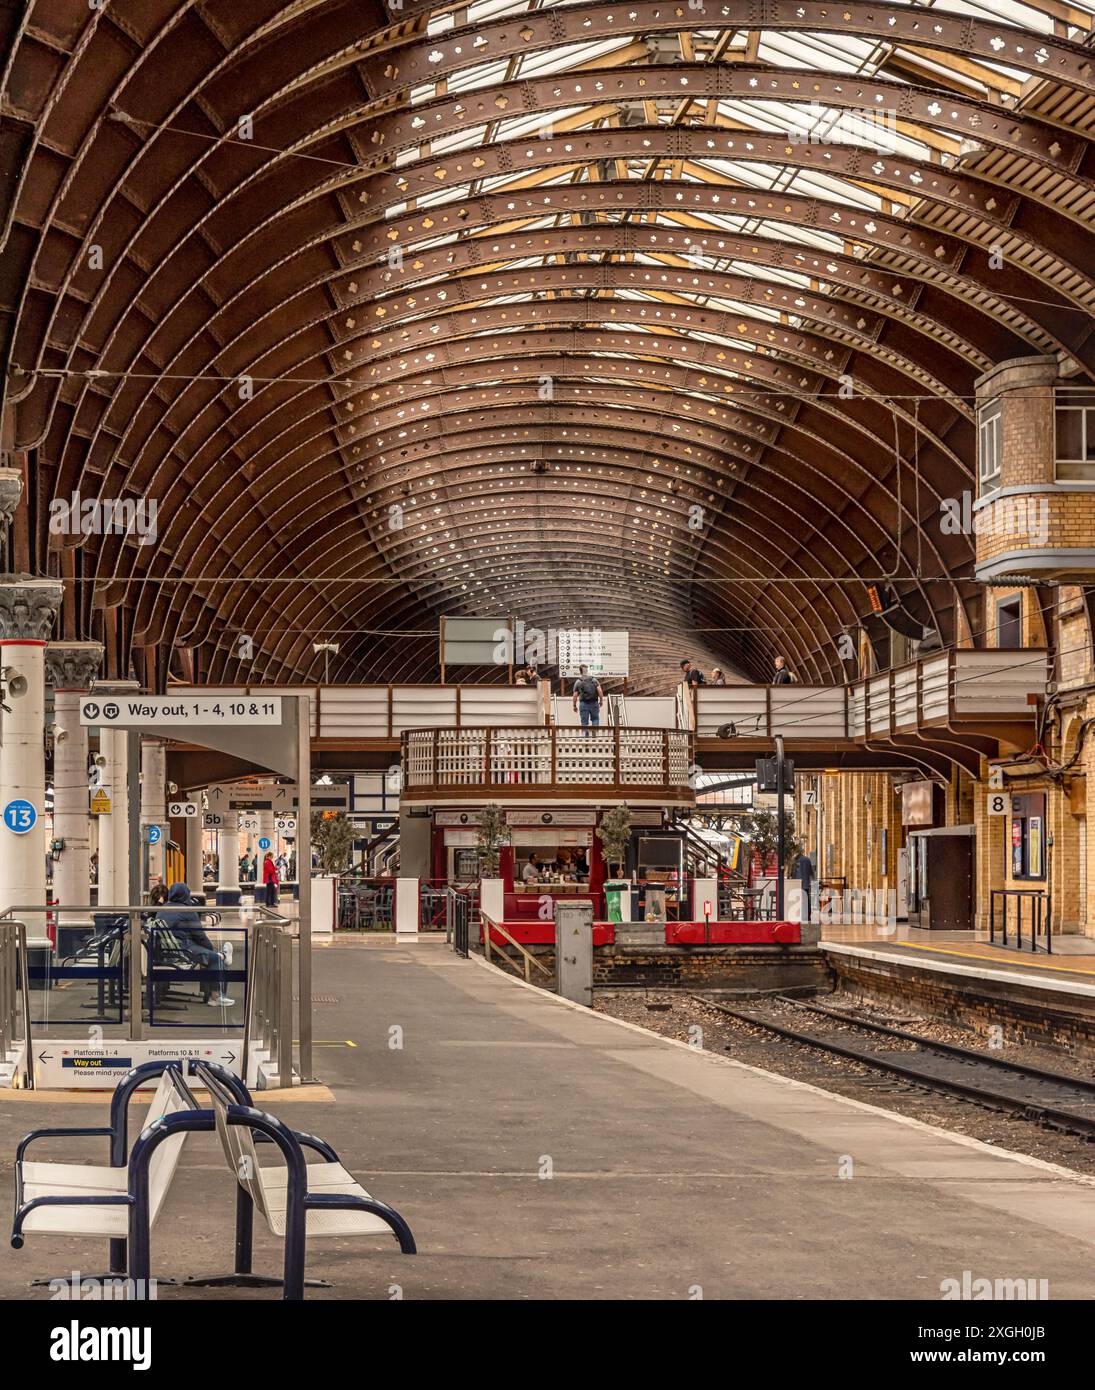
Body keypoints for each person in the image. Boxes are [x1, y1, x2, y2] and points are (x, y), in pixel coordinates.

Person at [159, 881, 234, 1007]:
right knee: (215, 958)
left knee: (212, 955)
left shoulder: (162, 909)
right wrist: (211, 950)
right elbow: (199, 935)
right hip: (183, 950)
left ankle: (223, 956)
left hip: (166, 951)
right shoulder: (188, 911)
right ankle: (215, 996)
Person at [571, 663, 604, 735]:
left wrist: (574, 705)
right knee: (595, 719)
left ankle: (586, 739)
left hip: (583, 704)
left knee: (584, 722)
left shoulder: (578, 681)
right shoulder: (594, 680)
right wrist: (601, 701)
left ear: (580, 671)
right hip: (594, 703)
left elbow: (575, 695)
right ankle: (594, 734)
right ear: (587, 670)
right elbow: (600, 691)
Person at [795, 852, 815, 923]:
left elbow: (796, 873)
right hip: (806, 884)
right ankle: (808, 915)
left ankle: (801, 915)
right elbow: (811, 872)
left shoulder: (796, 861)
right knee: (806, 900)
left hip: (798, 884)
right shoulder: (807, 860)